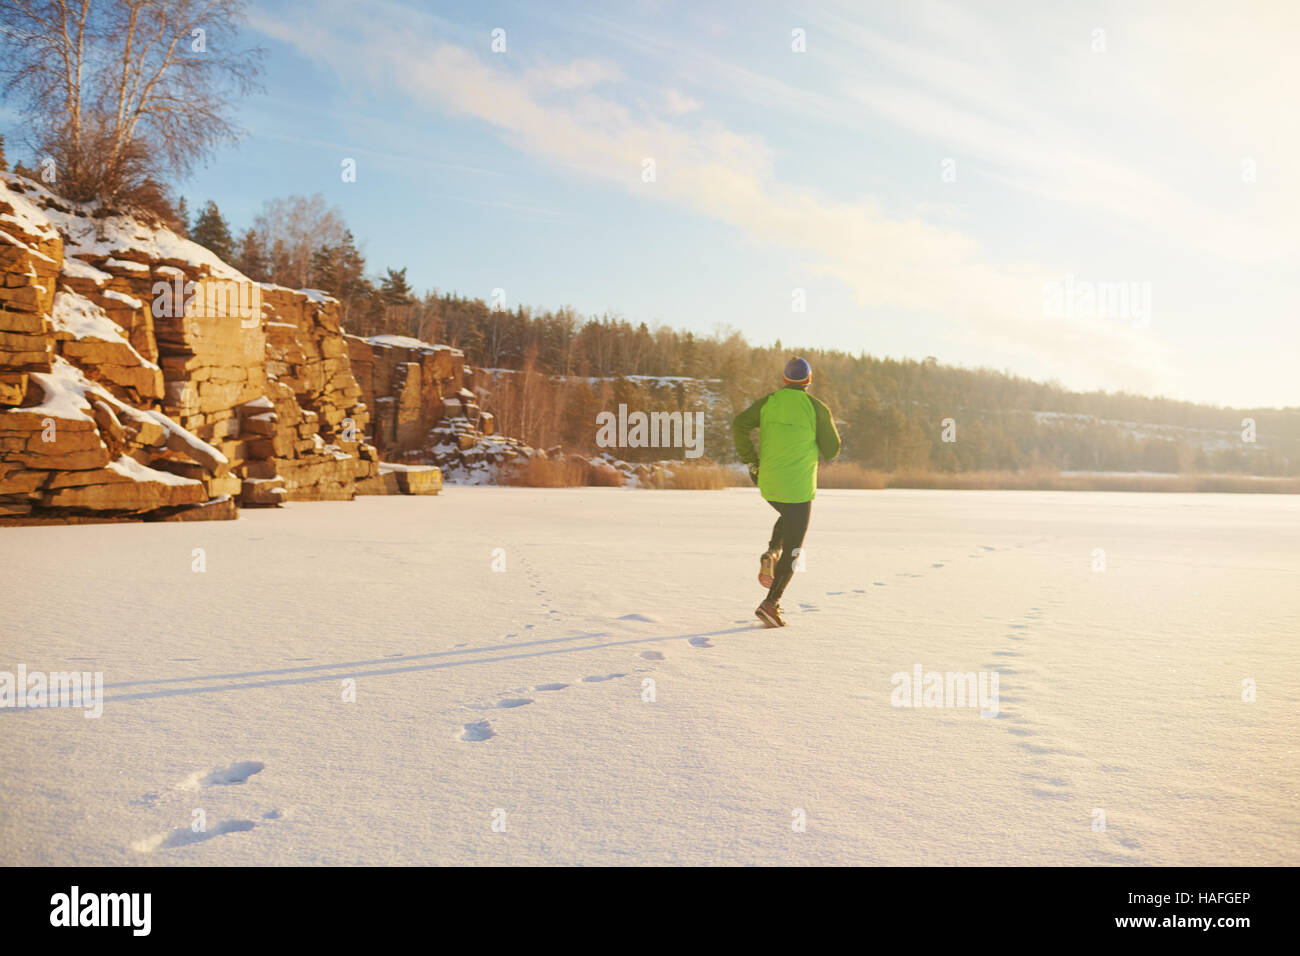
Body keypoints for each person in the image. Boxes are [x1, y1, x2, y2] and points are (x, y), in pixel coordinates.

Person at [732, 356, 841, 627]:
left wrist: (751, 460)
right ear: (808, 380)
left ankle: (771, 552)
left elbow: (739, 425)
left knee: (789, 518)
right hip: (799, 488)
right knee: (794, 546)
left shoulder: (768, 402)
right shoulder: (816, 408)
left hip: (767, 483)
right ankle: (771, 602)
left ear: (784, 379)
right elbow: (832, 450)